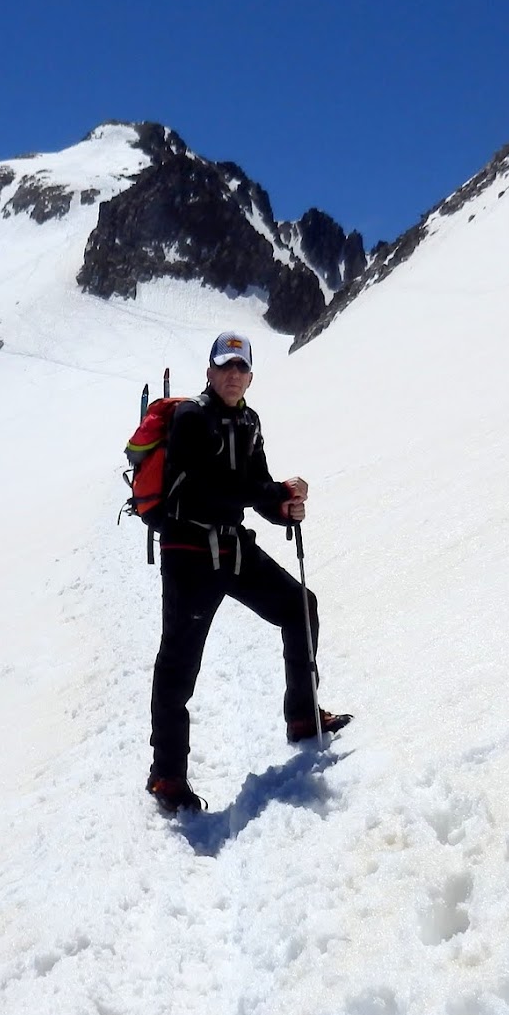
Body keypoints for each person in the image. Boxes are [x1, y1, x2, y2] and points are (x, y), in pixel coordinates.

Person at [147, 331, 351, 814]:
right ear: (210, 372)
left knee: (300, 607)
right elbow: (209, 491)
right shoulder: (192, 419)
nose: (233, 375)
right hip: (190, 553)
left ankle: (302, 716)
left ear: (251, 377)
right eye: (225, 366)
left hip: (232, 548)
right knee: (178, 666)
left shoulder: (249, 422)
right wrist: (274, 492)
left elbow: (253, 487)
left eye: (241, 368)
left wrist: (284, 508)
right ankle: (167, 776)